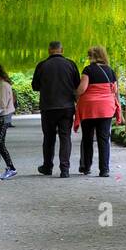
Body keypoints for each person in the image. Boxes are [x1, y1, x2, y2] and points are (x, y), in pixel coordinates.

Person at [31, 41, 80, 177]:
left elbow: (35, 86)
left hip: (48, 107)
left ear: (49, 51)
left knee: (49, 137)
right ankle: (65, 169)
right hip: (67, 106)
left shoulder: (42, 65)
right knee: (65, 137)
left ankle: (47, 167)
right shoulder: (71, 64)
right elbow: (77, 85)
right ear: (62, 50)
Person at [75, 47, 121, 177]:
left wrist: (75, 94)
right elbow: (115, 90)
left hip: (89, 108)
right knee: (104, 138)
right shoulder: (110, 71)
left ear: (92, 57)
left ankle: (86, 166)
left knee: (87, 138)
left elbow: (82, 88)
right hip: (106, 108)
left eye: (89, 56)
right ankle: (104, 169)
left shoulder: (88, 70)